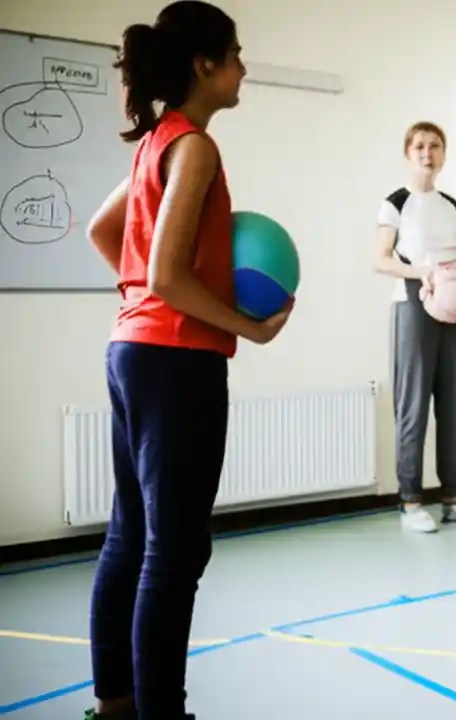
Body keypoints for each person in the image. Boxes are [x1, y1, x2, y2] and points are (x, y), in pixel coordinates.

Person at [83, 3, 292, 718]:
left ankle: (115, 707)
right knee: (173, 554)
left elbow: (102, 231)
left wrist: (141, 293)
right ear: (205, 65)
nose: (242, 68)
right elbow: (170, 277)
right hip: (175, 361)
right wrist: (251, 329)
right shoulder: (194, 146)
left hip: (134, 350)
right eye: (235, 55)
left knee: (130, 537)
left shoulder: (155, 141)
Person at [373, 121, 456, 533]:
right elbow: (380, 259)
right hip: (413, 304)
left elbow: (451, 252)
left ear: (443, 154)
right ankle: (410, 502)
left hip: (453, 308)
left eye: (435, 146)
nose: (428, 153)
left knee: (453, 402)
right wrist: (421, 271)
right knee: (412, 407)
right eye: (420, 146)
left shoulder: (451, 204)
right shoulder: (396, 203)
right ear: (408, 153)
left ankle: (453, 497)